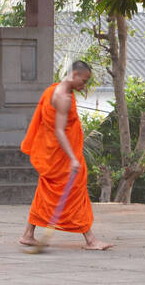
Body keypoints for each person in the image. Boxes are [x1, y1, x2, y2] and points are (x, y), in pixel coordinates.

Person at [18, 60, 113, 251]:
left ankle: (28, 234)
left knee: (45, 191)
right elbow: (60, 131)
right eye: (84, 80)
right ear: (75, 75)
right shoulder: (63, 97)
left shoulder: (54, 90)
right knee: (75, 191)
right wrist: (72, 158)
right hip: (61, 155)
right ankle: (90, 239)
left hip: (53, 153)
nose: (84, 85)